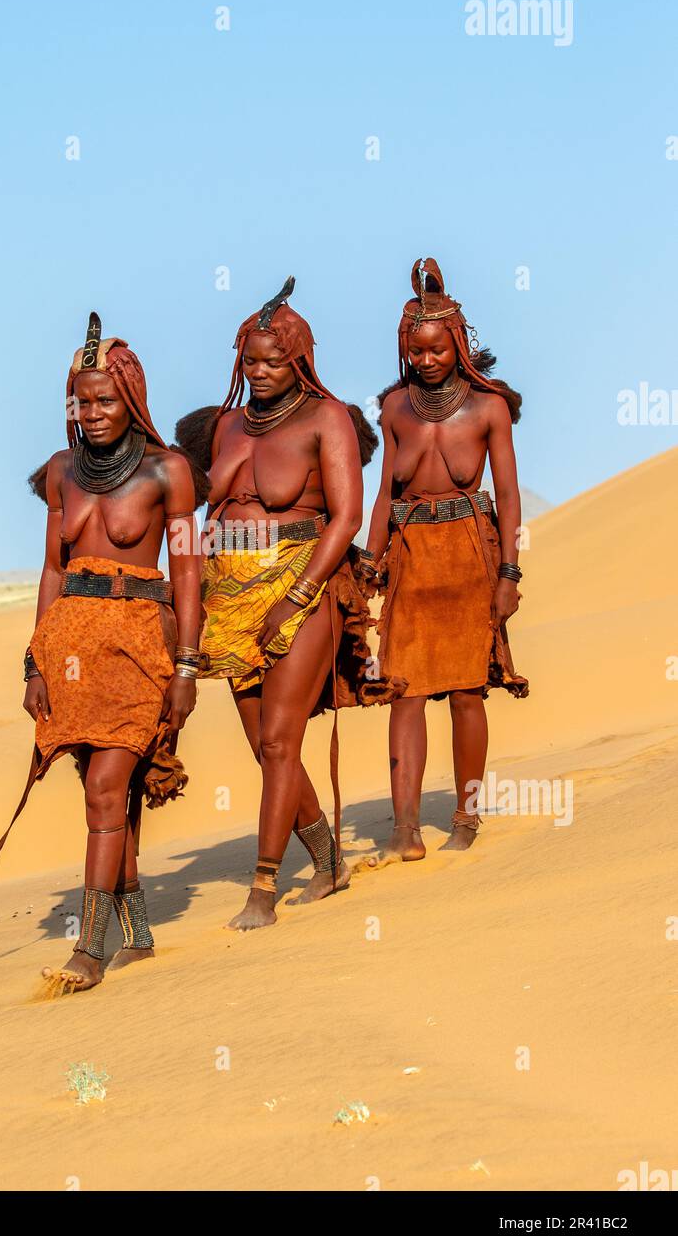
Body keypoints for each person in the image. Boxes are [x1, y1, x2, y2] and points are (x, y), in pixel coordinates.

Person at [0, 313, 202, 994]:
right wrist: (36, 662)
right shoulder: (61, 472)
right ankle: (140, 936)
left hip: (138, 643)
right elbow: (50, 571)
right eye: (81, 401)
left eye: (105, 400)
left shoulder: (169, 470)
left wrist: (187, 665)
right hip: (70, 646)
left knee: (106, 788)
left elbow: (187, 572)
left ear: (132, 399)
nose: (92, 413)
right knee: (105, 794)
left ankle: (89, 951)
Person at [178, 277, 403, 932]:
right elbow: (195, 512)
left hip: (302, 582)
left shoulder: (326, 419)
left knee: (280, 742)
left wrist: (299, 597)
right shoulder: (221, 427)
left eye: (275, 360)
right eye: (251, 360)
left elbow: (347, 517)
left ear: (300, 357)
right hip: (229, 593)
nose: (261, 371)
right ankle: (329, 860)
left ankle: (263, 890)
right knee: (264, 746)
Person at [361, 258, 528, 863]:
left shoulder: (489, 408)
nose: (427, 360)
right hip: (409, 556)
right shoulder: (396, 408)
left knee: (465, 692)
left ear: (456, 343)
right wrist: (370, 559)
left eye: (436, 349)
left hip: (467, 555)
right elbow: (386, 491)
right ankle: (404, 829)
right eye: (417, 350)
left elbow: (507, 495)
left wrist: (510, 572)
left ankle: (467, 815)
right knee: (402, 691)